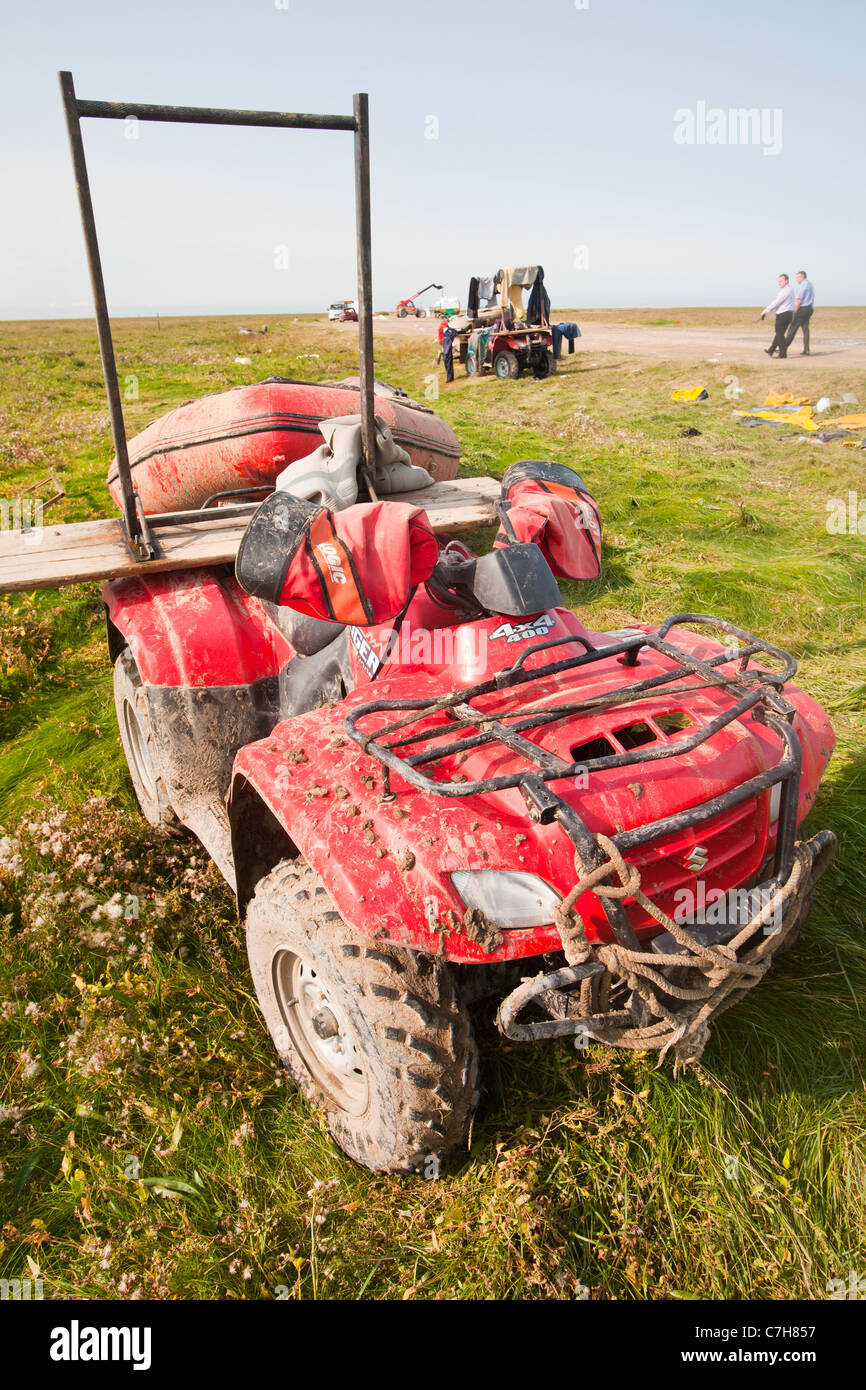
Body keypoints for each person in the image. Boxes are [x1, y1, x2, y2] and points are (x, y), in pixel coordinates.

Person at [760, 274, 795, 358]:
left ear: (787, 281)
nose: (779, 283)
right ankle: (771, 350)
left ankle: (783, 353)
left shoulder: (786, 291)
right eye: (779, 281)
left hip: (784, 314)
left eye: (781, 281)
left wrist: (765, 311)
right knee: (779, 333)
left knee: (779, 334)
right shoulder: (789, 290)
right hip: (787, 314)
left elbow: (776, 302)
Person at [785, 271, 815, 356]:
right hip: (809, 308)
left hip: (802, 309)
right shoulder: (810, 284)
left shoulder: (803, 285)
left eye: (798, 277)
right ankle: (806, 349)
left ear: (802, 277)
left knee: (793, 328)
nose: (797, 279)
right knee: (805, 329)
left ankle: (783, 348)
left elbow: (799, 300)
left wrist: (794, 312)